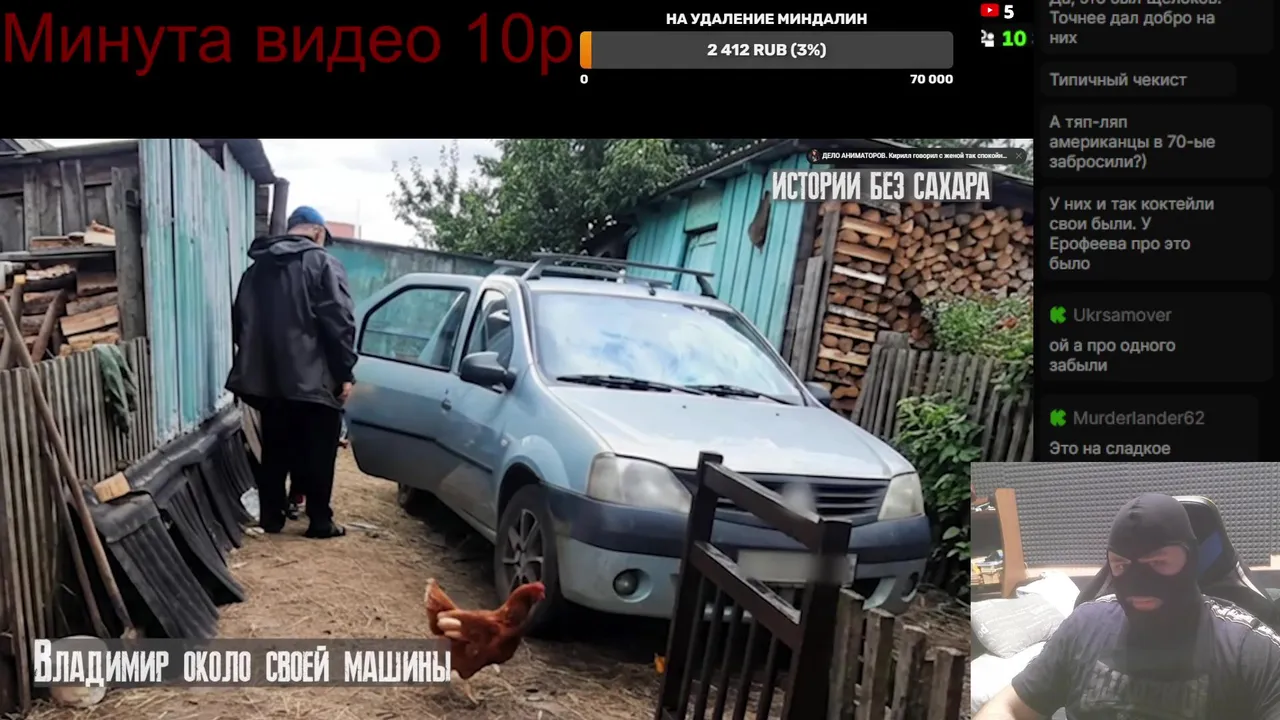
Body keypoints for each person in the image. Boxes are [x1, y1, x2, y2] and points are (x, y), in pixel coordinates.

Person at [975, 493, 1280, 720]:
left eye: (1158, 562)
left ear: (1192, 561)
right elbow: (1007, 708)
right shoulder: (1083, 626)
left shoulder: (1252, 650)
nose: (1138, 582)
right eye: (1121, 564)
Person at [226, 206, 356, 539]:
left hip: (270, 380)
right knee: (320, 450)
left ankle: (272, 518)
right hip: (316, 379)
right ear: (317, 232)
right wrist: (345, 372)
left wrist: (263, 363)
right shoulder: (323, 264)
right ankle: (319, 521)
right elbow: (340, 322)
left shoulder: (256, 269)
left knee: (275, 448)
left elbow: (240, 323)